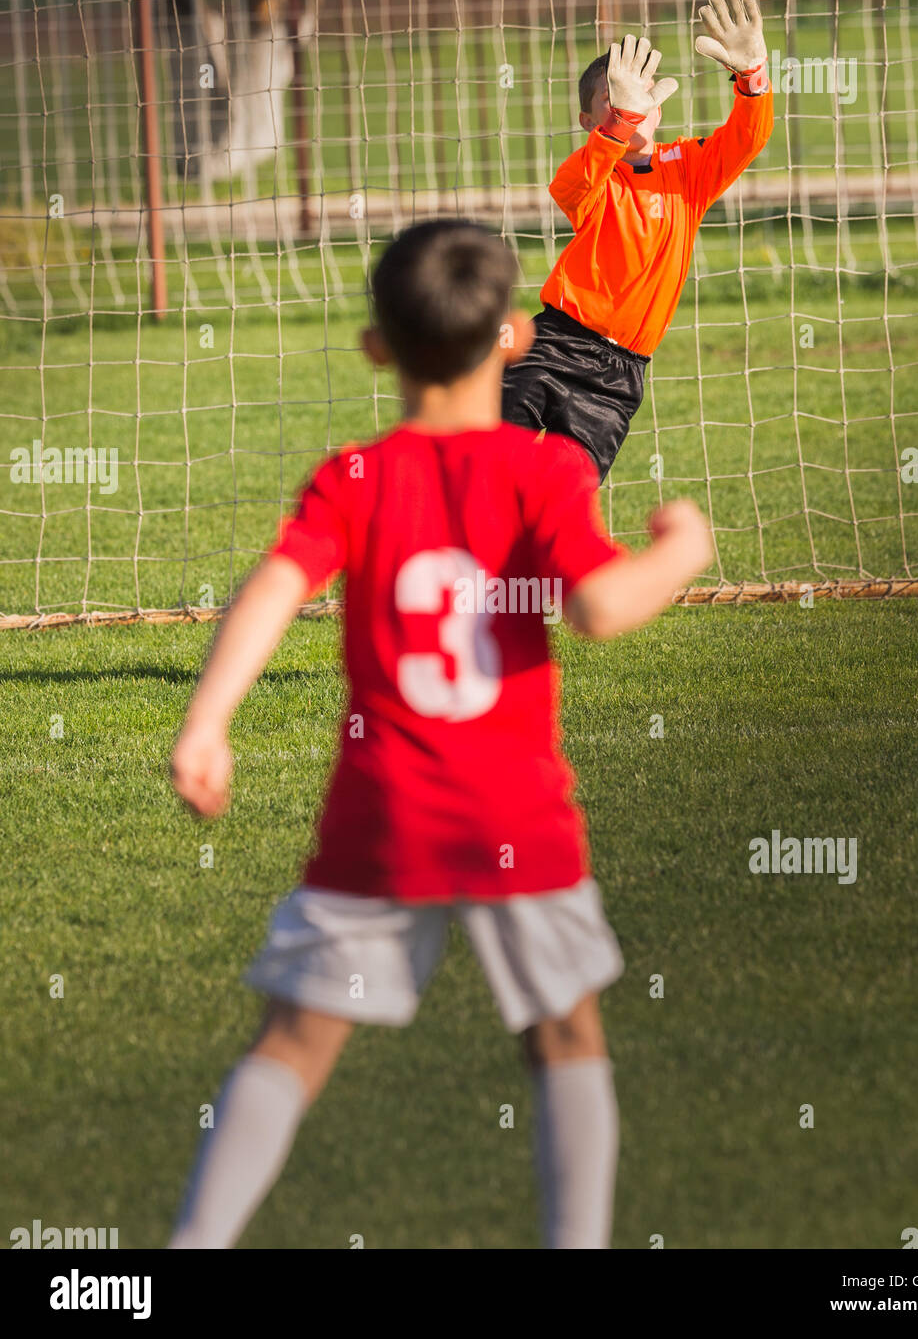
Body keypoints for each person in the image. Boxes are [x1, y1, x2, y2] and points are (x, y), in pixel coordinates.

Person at [168, 218, 713, 1250]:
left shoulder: (354, 477)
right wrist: (682, 549)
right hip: (516, 817)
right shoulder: (541, 472)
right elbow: (596, 607)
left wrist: (208, 722)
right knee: (564, 1035)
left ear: (377, 346)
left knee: (295, 1038)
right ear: (513, 335)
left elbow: (276, 585)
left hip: (384, 821)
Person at [502, 0, 774, 480]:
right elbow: (571, 187)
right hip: (555, 344)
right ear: (590, 122)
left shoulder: (689, 167)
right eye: (613, 97)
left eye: (641, 96)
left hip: (618, 377)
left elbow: (746, 139)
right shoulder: (596, 173)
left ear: (660, 106)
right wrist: (618, 122)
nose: (633, 105)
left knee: (562, 496)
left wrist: (752, 78)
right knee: (488, 460)